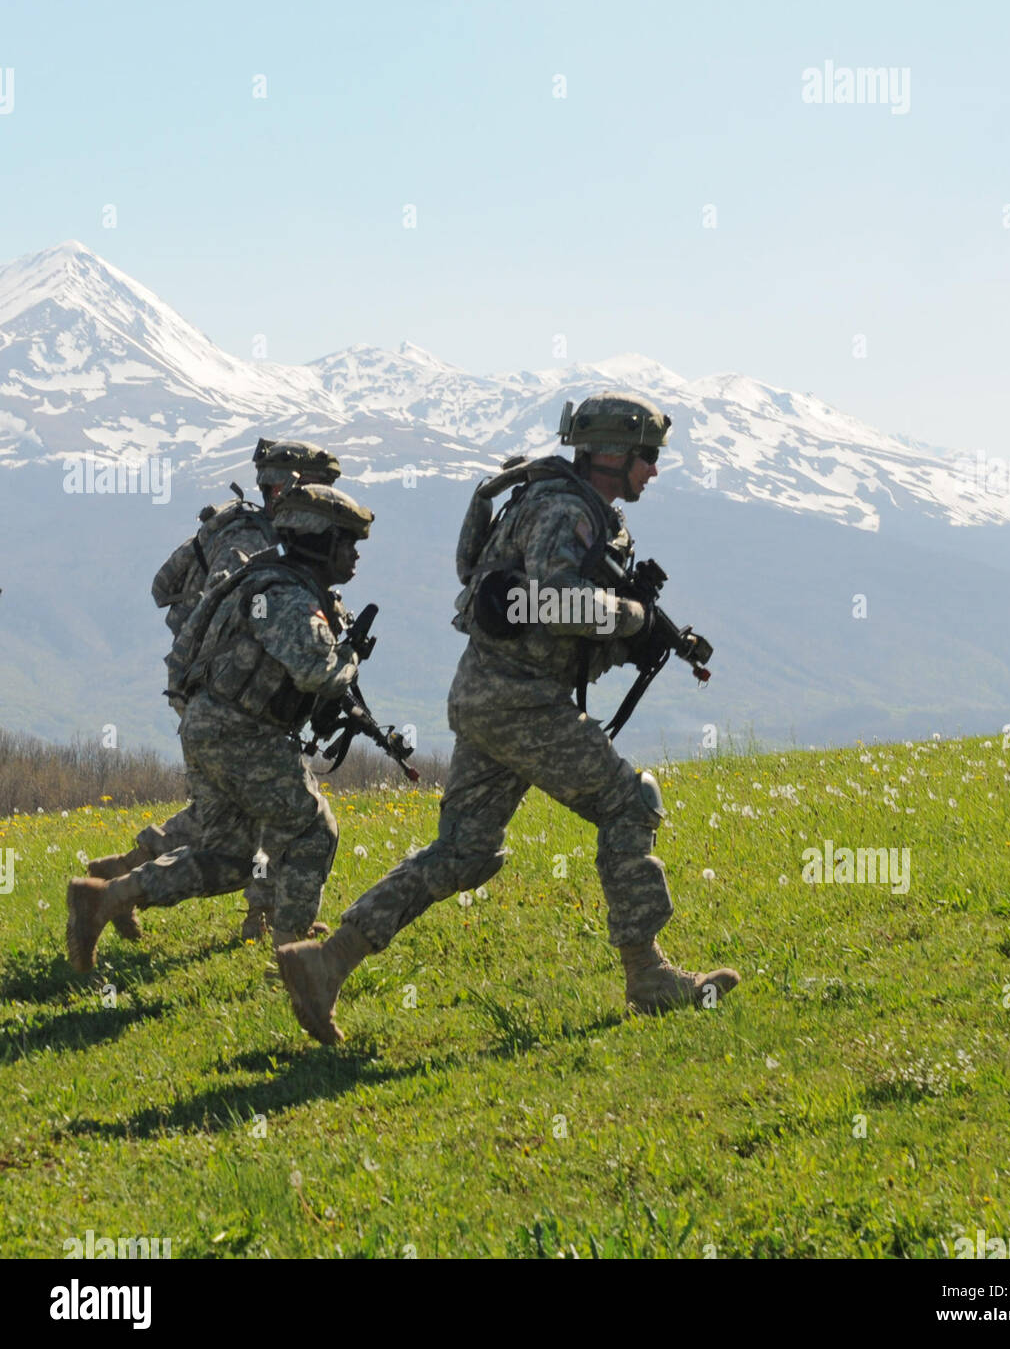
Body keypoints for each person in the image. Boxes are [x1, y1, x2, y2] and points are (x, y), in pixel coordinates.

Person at [277, 393, 740, 1045]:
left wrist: (628, 633)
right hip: (520, 702)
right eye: (647, 458)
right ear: (614, 454)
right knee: (629, 803)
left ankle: (326, 962)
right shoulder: (563, 509)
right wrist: (629, 619)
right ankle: (648, 977)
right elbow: (553, 602)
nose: (652, 472)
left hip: (488, 697)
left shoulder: (556, 502)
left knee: (463, 854)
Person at [66, 485, 372, 974]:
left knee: (231, 859)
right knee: (314, 827)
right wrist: (350, 662)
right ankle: (295, 954)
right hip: (242, 734)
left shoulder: (270, 580)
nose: (355, 555)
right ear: (319, 542)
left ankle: (106, 897)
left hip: (214, 727)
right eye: (347, 543)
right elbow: (315, 672)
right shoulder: (288, 596)